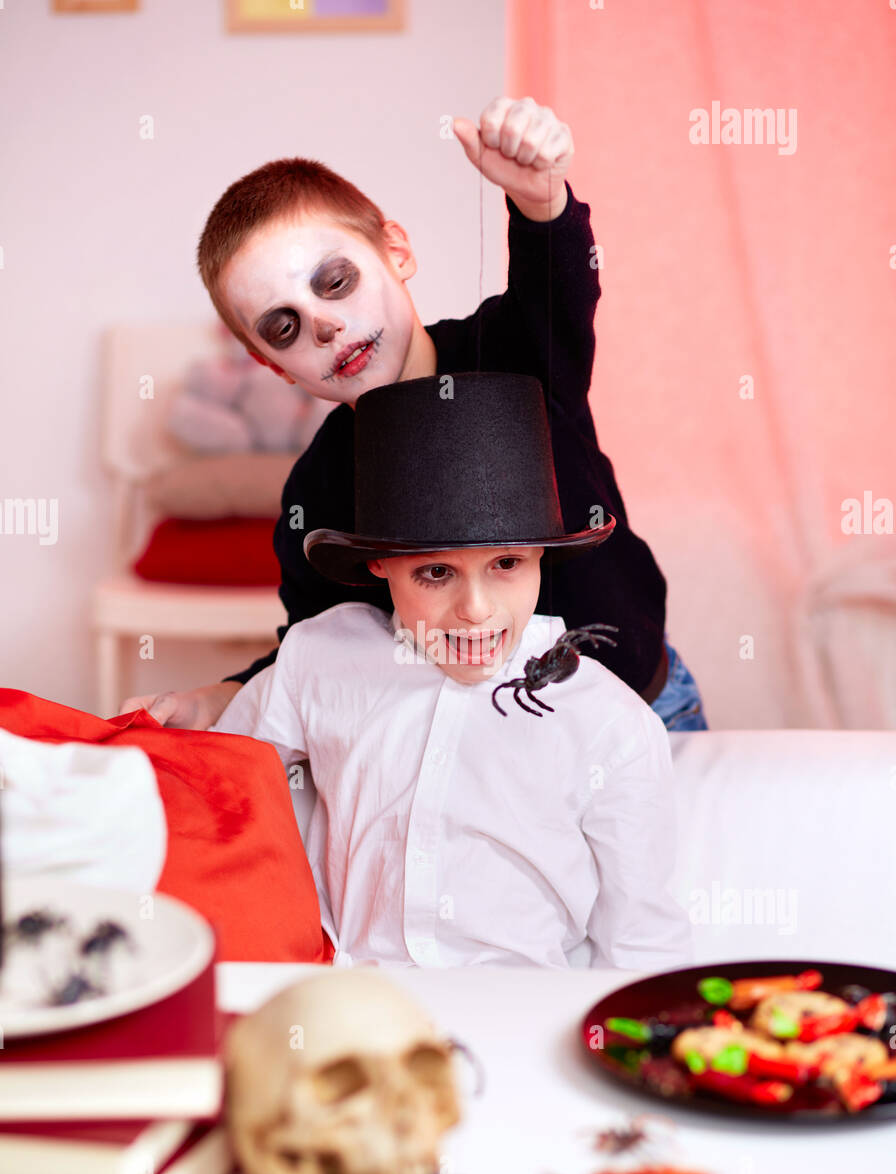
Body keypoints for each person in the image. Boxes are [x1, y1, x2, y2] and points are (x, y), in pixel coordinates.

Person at [121, 96, 707, 733]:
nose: (322, 325)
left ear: (395, 250)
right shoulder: (316, 493)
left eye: (335, 281)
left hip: (641, 709)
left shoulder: (514, 358)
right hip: (488, 744)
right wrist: (214, 698)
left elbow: (557, 283)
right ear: (275, 367)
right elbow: (316, 650)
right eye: (283, 326)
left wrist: (539, 198)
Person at [212, 373, 694, 971]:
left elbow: (642, 941)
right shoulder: (320, 658)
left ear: (542, 557)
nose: (476, 610)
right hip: (354, 1004)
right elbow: (219, 789)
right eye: (436, 573)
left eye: (507, 564)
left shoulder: (610, 725)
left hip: (520, 1016)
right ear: (383, 565)